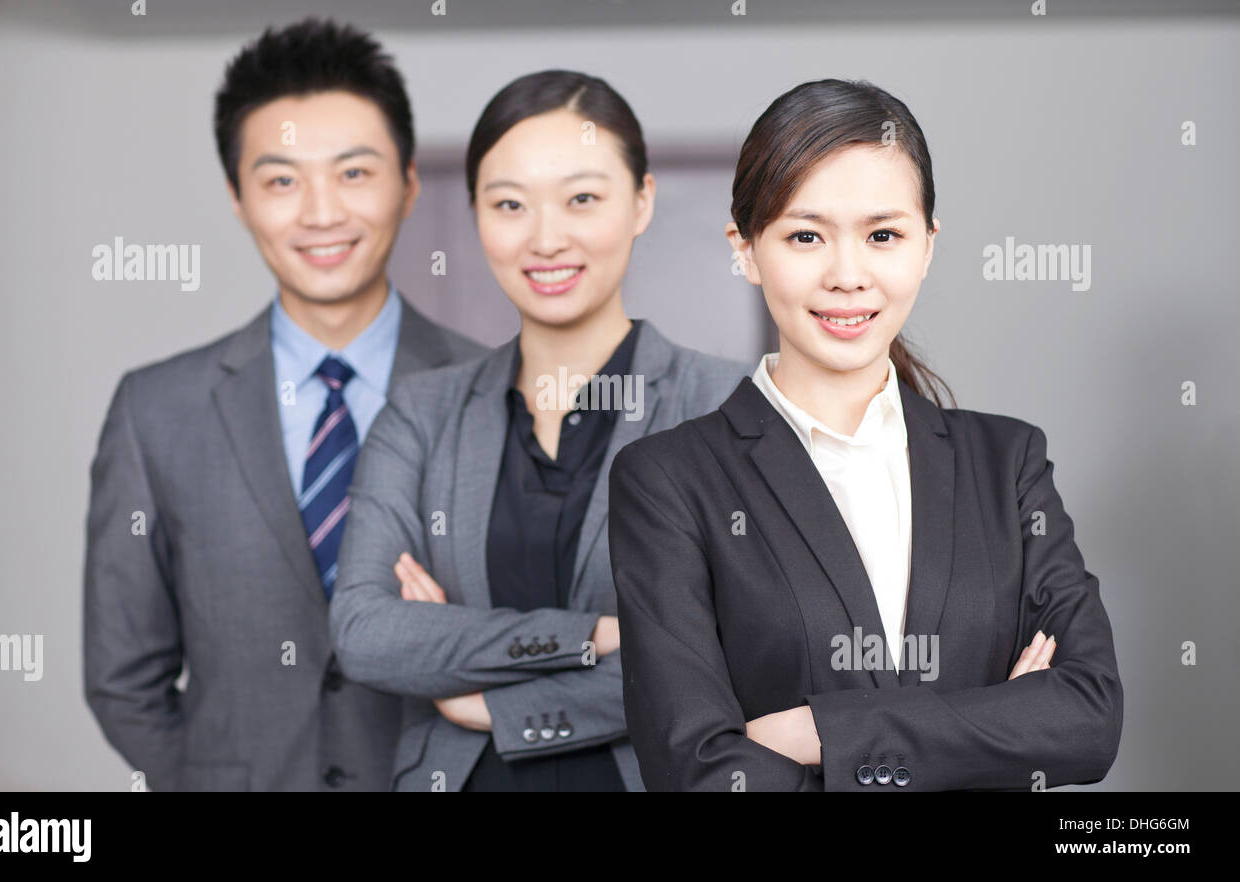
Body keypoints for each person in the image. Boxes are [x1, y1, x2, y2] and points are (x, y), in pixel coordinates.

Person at [607, 78, 1123, 791]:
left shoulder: (1008, 464)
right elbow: (692, 769)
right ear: (746, 250)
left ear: (927, 245)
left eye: (883, 235)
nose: (848, 276)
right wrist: (992, 721)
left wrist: (819, 733)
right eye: (805, 236)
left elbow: (1086, 719)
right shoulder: (668, 480)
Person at [83, 19, 486, 792]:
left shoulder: (493, 390)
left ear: (407, 184)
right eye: (281, 180)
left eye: (353, 173)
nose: (320, 212)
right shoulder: (156, 410)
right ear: (238, 198)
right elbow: (122, 678)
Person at [329, 70, 749, 792]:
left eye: (582, 198)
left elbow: (739, 652)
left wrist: (488, 699)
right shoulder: (421, 414)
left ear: (641, 200)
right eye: (510, 204)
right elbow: (366, 633)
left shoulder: (727, 406)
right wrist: (593, 638)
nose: (546, 238)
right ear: (476, 213)